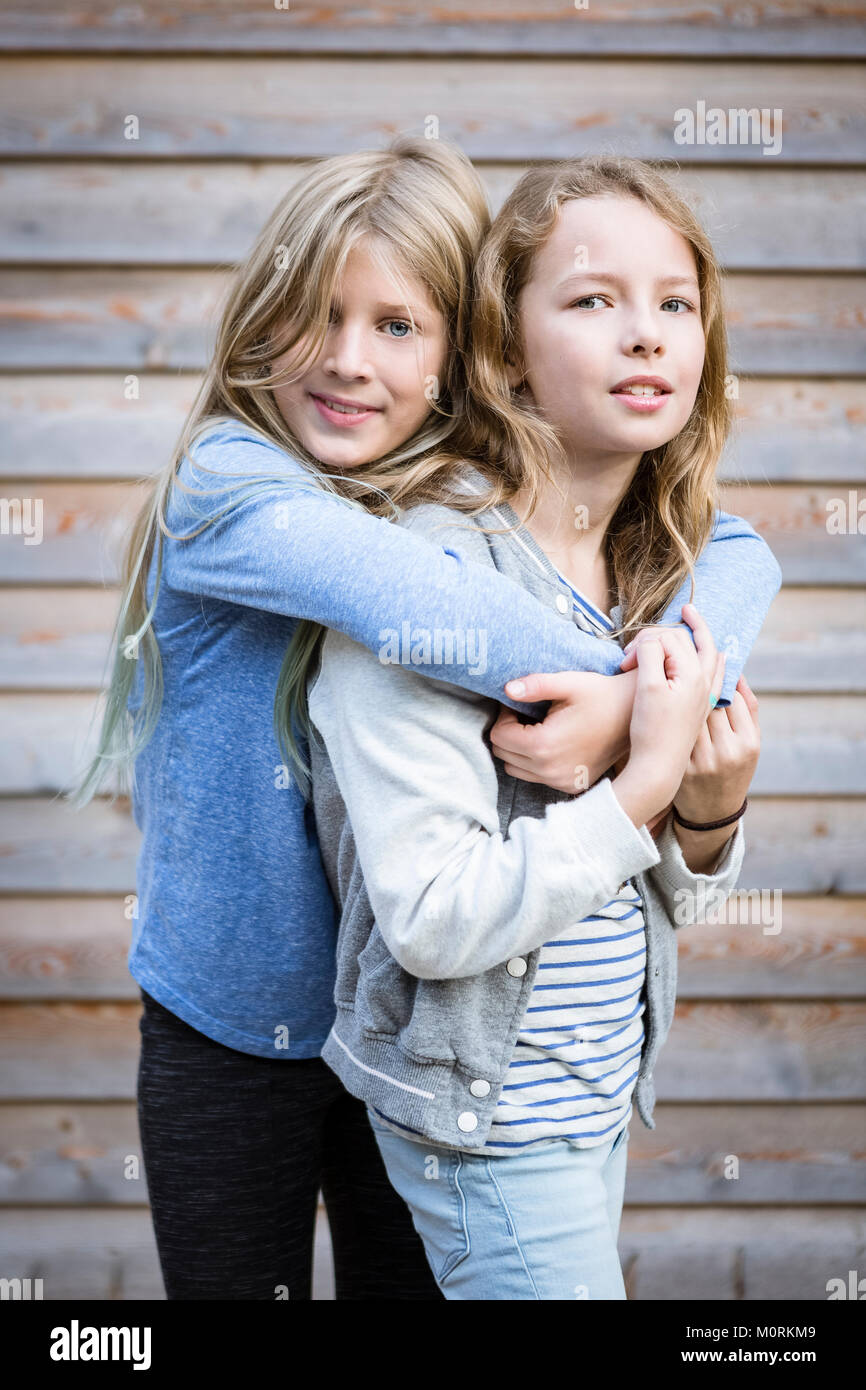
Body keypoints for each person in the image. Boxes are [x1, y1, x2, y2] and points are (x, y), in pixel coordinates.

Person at [72, 140, 779, 1300]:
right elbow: (423, 607)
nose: (348, 362)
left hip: (400, 1036)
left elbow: (740, 549)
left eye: (398, 326)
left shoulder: (439, 498)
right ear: (257, 323)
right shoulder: (228, 480)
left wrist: (658, 698)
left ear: (465, 352)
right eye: (314, 316)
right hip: (229, 1023)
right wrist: (631, 704)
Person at [302, 155, 772, 1299]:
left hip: (593, 1095)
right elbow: (428, 916)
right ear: (503, 350)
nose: (646, 335)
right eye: (591, 300)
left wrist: (706, 814)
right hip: (490, 1122)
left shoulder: (655, 575)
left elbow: (663, 889)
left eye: (673, 302)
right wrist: (638, 786)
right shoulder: (420, 584)